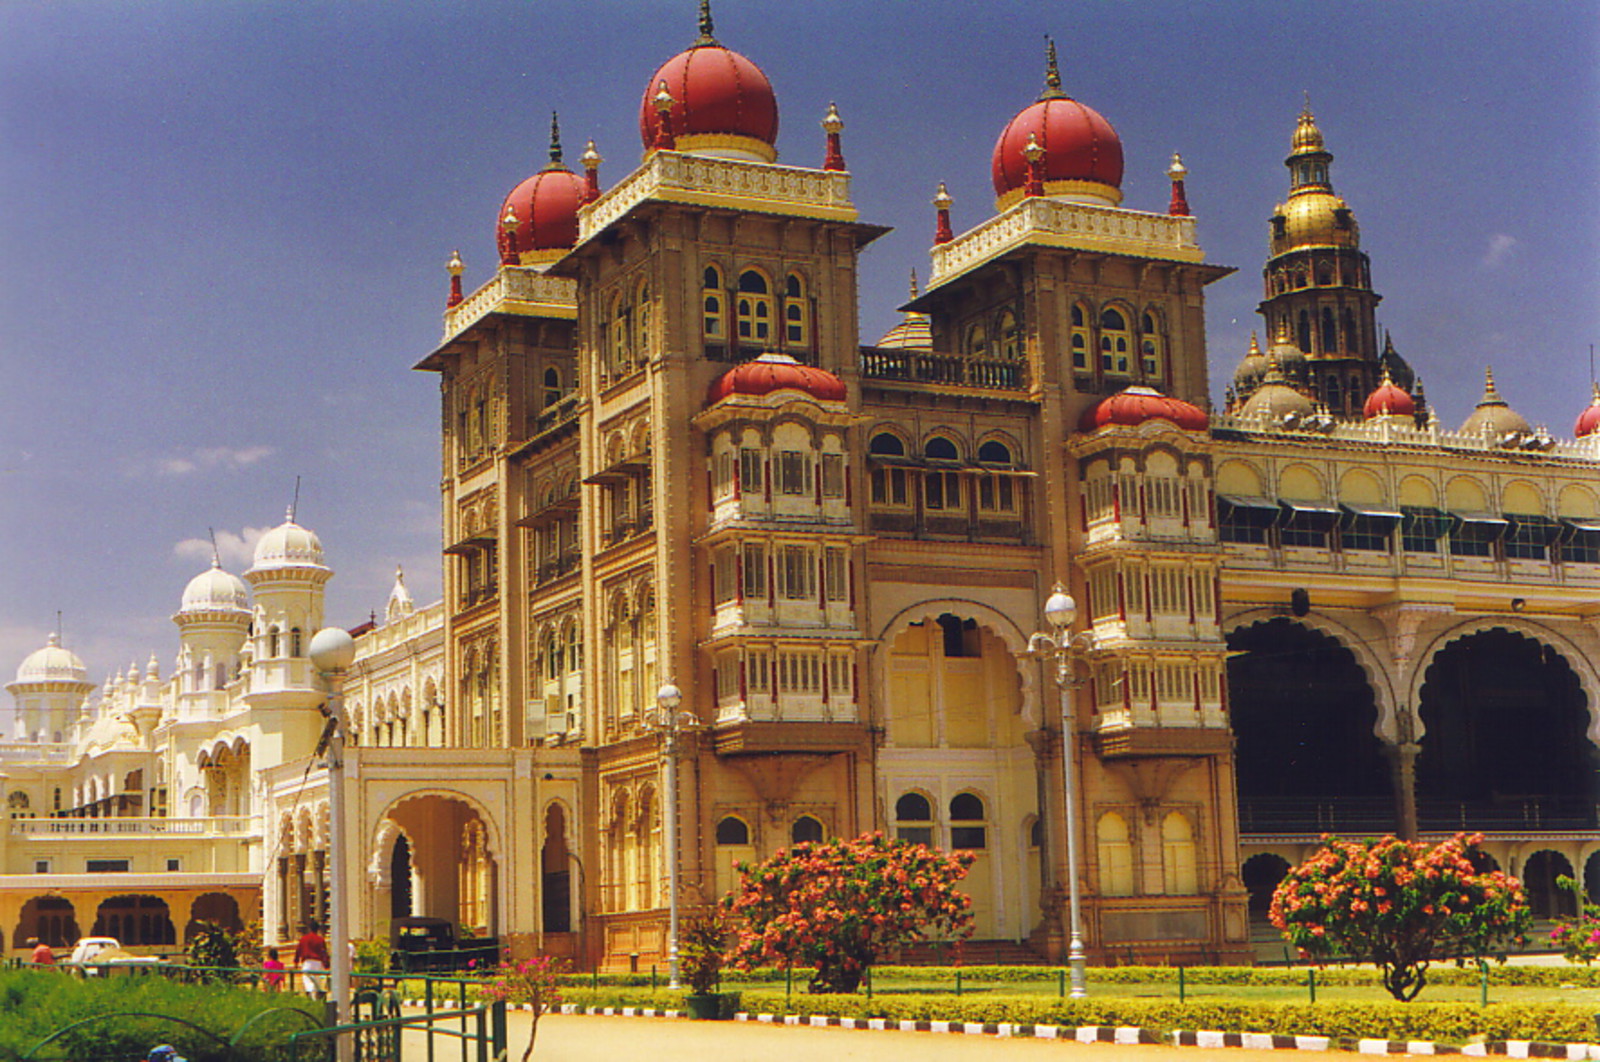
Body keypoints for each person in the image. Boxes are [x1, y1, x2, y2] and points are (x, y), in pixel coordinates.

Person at [293, 923, 330, 1000]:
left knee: (307, 981)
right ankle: (318, 998)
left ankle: (310, 997)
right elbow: (324, 952)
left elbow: (298, 950)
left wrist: (296, 962)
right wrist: (326, 964)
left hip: (307, 962)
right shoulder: (320, 940)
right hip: (318, 963)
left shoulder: (304, 939)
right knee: (318, 982)